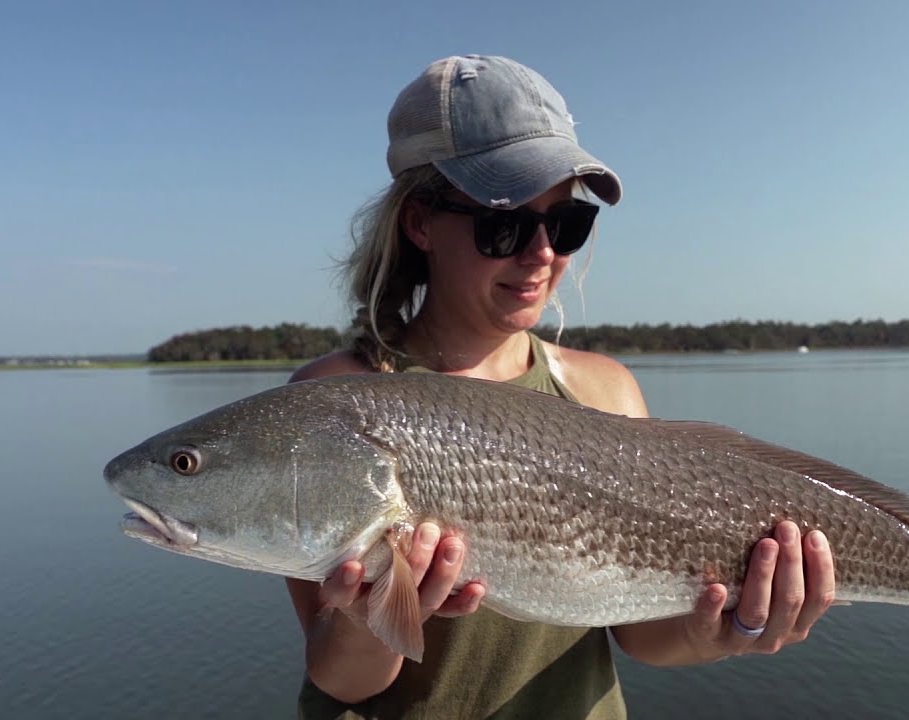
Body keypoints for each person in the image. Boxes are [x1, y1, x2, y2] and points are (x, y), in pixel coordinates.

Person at [285, 54, 836, 719]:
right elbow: (343, 680)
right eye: (504, 224)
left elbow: (640, 635)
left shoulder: (605, 390)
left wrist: (728, 629)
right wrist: (367, 619)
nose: (542, 253)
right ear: (420, 223)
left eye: (566, 223)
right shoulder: (334, 406)